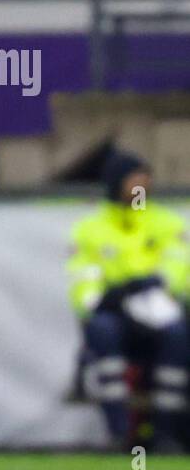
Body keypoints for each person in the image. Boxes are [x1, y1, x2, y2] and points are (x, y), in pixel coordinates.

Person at [68, 150, 190, 449]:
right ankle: (119, 432)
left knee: (177, 333)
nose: (141, 187)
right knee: (102, 328)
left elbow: (179, 264)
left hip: (158, 311)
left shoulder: (166, 222)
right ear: (115, 182)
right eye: (134, 180)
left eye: (145, 180)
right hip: (115, 314)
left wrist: (157, 283)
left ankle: (165, 431)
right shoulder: (90, 228)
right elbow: (82, 279)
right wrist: (107, 298)